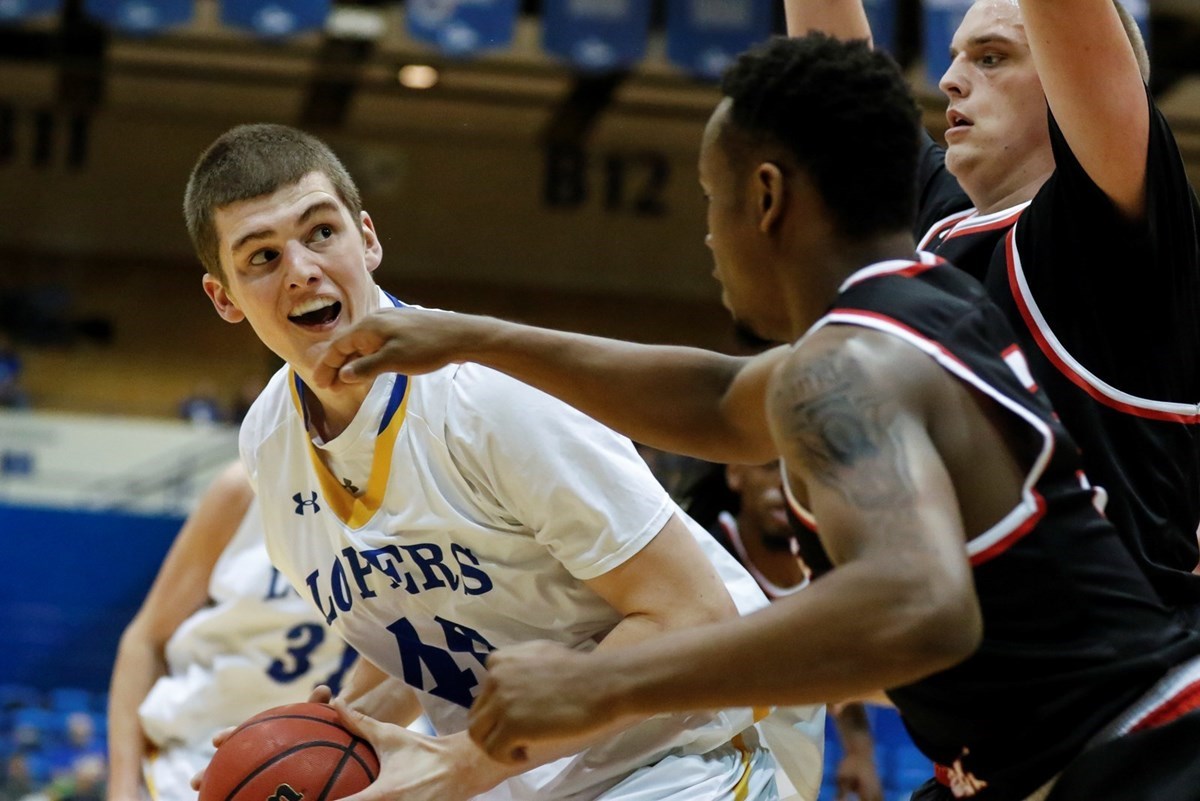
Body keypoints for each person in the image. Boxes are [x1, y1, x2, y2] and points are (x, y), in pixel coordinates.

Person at [311, 34, 1200, 801]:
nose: (708, 236)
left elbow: (918, 604)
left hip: (1135, 758)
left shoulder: (849, 366)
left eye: (712, 197)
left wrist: (604, 681)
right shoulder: (914, 309)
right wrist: (472, 336)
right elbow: (713, 400)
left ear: (767, 198)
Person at [183, 123, 815, 801]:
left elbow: (693, 615)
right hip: (528, 774)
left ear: (366, 238)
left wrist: (465, 762)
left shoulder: (487, 395)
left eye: (320, 233)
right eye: (262, 257)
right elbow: (446, 631)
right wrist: (333, 736)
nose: (303, 268)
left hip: (691, 751)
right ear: (224, 297)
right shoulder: (269, 443)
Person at [786, 0, 1200, 623]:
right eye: (955, 57)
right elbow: (831, 83)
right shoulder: (938, 227)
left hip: (1119, 678)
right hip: (988, 679)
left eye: (992, 57)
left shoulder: (1108, 235)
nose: (950, 79)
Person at [107, 461, 356, 801]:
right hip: (194, 758)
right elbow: (145, 640)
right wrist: (122, 793)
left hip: (333, 767)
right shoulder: (245, 487)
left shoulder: (415, 498)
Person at [702, 461, 884, 801]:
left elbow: (839, 667)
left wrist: (859, 752)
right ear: (735, 472)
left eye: (798, 473)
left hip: (787, 771)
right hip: (708, 763)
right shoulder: (703, 557)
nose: (784, 486)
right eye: (771, 466)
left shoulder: (831, 569)